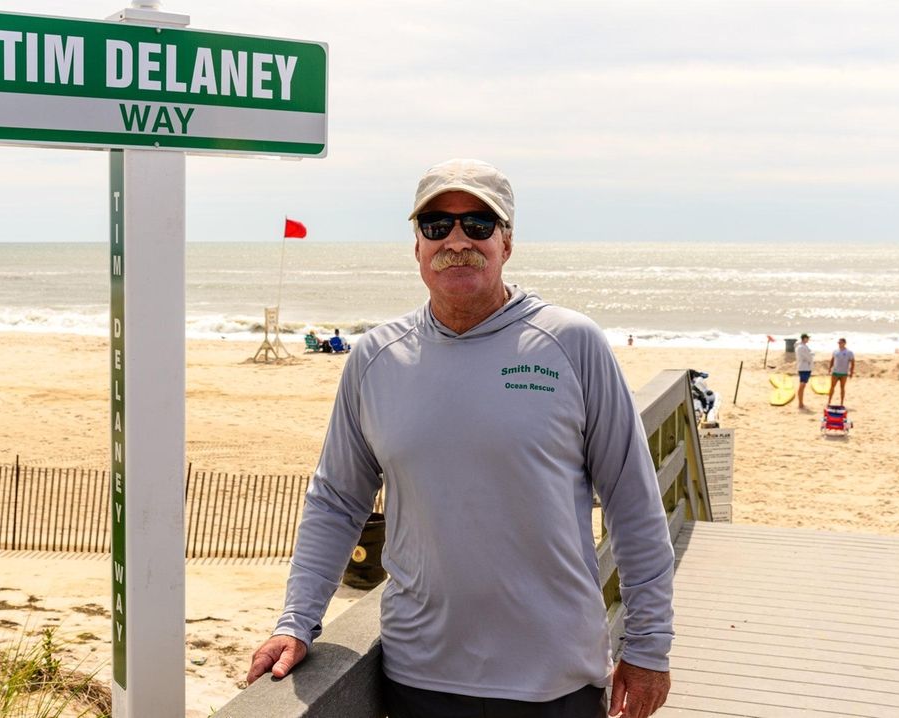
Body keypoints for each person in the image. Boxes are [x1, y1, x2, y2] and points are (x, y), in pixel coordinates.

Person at [247, 159, 674, 718]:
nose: (456, 241)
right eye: (436, 225)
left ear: (507, 242)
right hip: (419, 677)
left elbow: (634, 504)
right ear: (416, 245)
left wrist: (647, 647)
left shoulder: (572, 343)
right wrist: (296, 621)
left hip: (556, 679)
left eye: (478, 224)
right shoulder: (374, 358)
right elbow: (336, 500)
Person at [828, 337, 854, 406]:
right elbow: (832, 360)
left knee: (842, 388)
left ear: (844, 343)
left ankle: (841, 403)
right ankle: (829, 401)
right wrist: (830, 368)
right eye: (838, 343)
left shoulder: (849, 352)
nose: (839, 344)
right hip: (835, 372)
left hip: (844, 373)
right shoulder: (835, 351)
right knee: (832, 387)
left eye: (841, 342)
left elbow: (852, 362)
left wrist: (851, 372)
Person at [795, 333, 814, 409]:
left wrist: (811, 356)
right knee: (802, 386)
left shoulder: (803, 346)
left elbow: (809, 355)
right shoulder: (801, 347)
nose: (808, 339)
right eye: (807, 338)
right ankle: (800, 403)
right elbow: (808, 357)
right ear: (804, 338)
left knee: (803, 385)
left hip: (806, 367)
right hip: (804, 368)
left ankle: (801, 403)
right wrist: (811, 356)